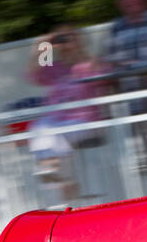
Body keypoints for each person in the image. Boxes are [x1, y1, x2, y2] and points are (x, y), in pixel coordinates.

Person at [25, 25, 106, 198]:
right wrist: (43, 46)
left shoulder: (87, 64)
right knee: (38, 127)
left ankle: (61, 183)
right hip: (57, 121)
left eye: (70, 37)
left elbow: (101, 74)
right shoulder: (54, 67)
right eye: (61, 39)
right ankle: (60, 180)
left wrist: (77, 52)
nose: (66, 42)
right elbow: (34, 75)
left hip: (85, 120)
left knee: (54, 134)